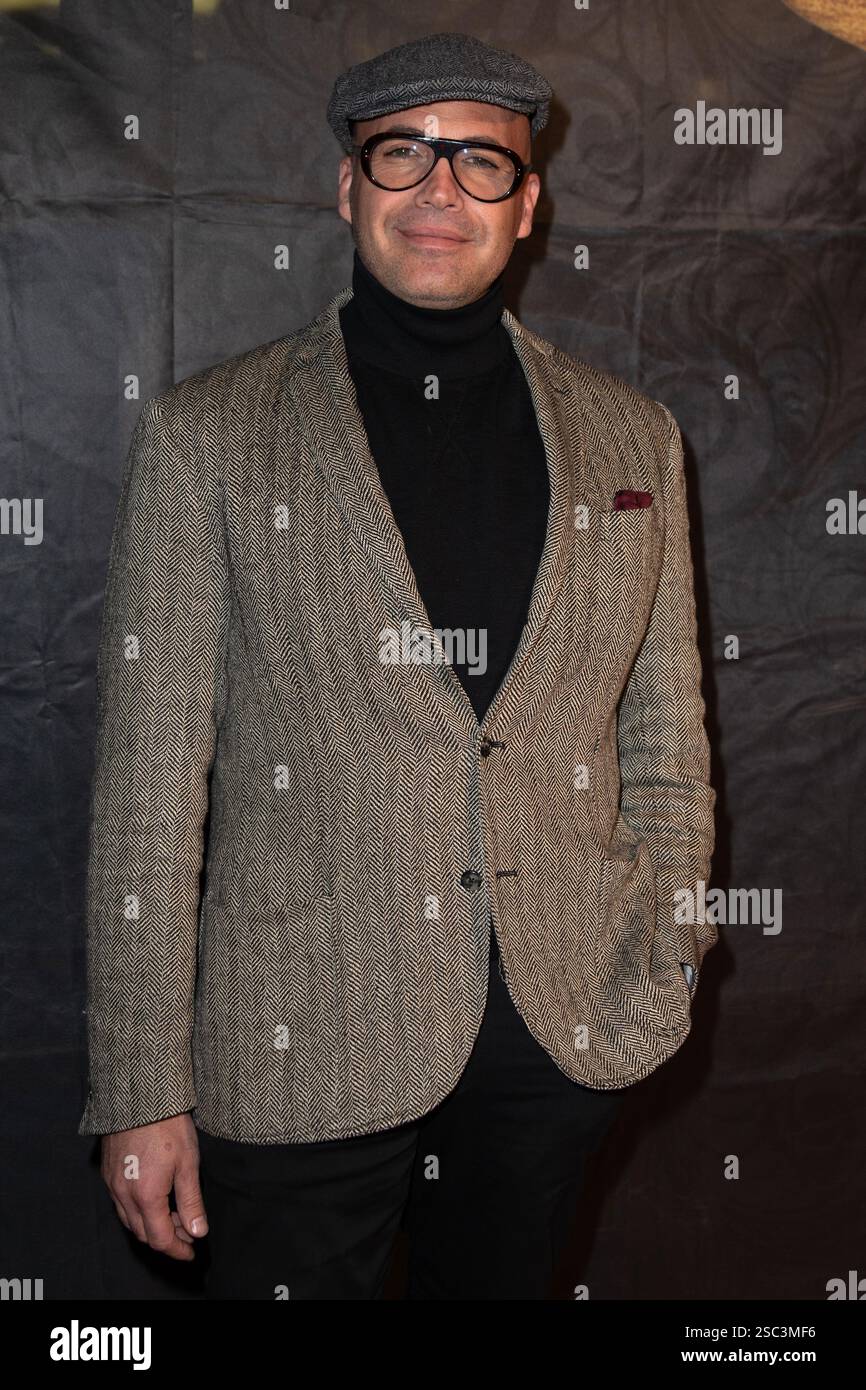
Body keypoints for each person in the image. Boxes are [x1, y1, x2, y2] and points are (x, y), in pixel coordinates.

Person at [78, 31, 717, 1300]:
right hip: (297, 1040)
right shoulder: (209, 435)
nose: (440, 192)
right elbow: (149, 787)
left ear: (528, 203)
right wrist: (140, 1085)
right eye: (401, 156)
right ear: (347, 189)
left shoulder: (630, 436)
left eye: (480, 162)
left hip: (558, 1034)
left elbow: (669, 749)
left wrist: (664, 955)